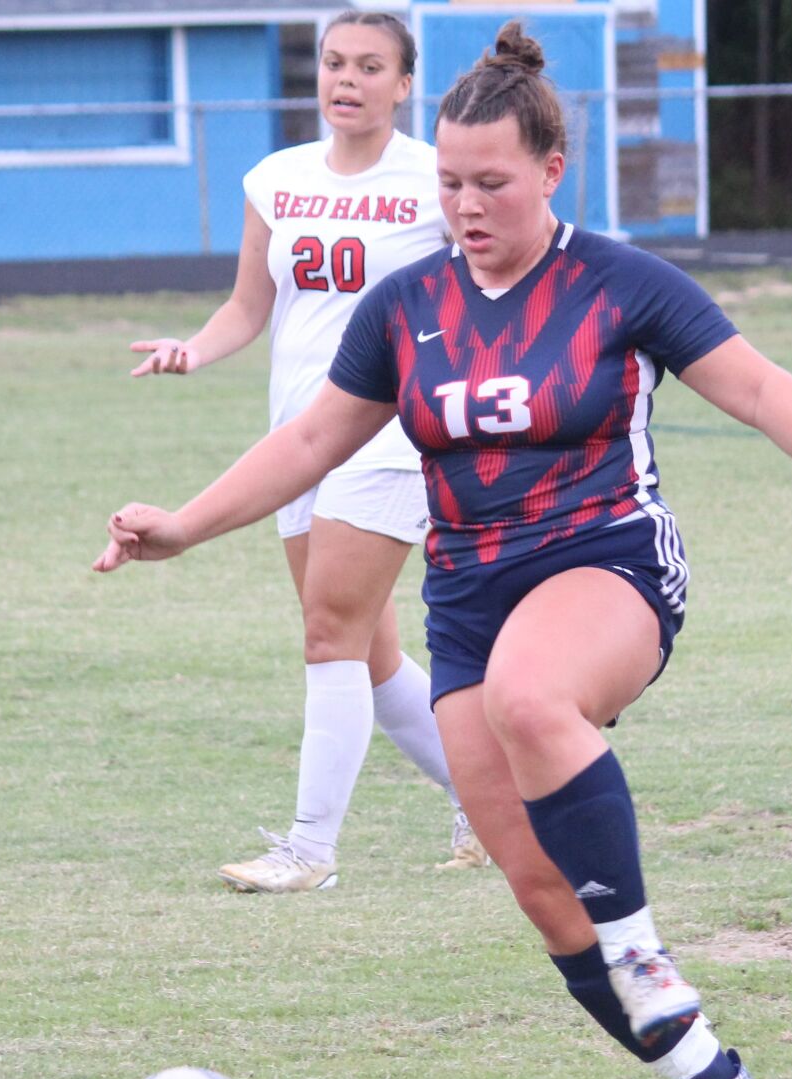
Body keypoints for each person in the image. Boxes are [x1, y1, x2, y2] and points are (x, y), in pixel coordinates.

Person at [96, 21, 792, 1079]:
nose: (465, 204)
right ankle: (706, 1078)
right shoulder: (407, 307)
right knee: (537, 882)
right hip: (467, 600)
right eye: (453, 182)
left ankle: (646, 953)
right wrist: (183, 525)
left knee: (531, 698)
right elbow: (313, 436)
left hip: (605, 562)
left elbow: (756, 389)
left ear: (552, 171)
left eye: (491, 183)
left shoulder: (620, 281)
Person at [129, 9, 486, 894]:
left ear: (406, 85)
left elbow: (492, 280)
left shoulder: (432, 181)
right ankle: (493, 796)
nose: (348, 79)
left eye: (371, 66)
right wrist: (193, 350)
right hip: (298, 440)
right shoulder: (276, 177)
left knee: (329, 631)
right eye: (334, 63)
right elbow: (248, 309)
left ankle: (309, 851)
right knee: (365, 652)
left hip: (391, 435)